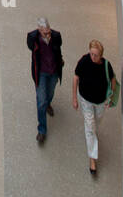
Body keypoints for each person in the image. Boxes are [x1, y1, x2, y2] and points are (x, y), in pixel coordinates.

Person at [73, 40, 118, 174]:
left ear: (101, 55)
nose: (93, 57)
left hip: (100, 102)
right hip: (85, 100)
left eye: (96, 55)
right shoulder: (84, 61)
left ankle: (92, 135)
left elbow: (113, 79)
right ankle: (92, 158)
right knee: (90, 128)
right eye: (91, 54)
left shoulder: (106, 65)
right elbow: (76, 78)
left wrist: (111, 95)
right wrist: (74, 98)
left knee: (96, 122)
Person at [27, 18, 64, 145]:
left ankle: (48, 103)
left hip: (53, 71)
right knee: (41, 100)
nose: (48, 35)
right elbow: (31, 49)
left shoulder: (56, 36)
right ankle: (42, 130)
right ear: (39, 30)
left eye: (48, 32)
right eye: (45, 33)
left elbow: (59, 50)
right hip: (41, 73)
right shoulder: (32, 38)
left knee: (50, 92)